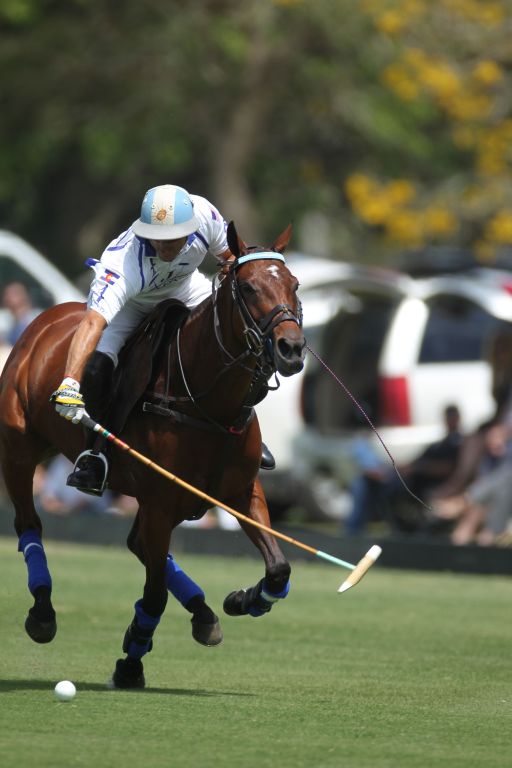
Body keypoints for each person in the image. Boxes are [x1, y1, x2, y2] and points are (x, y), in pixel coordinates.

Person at [51, 183, 275, 496]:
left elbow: (231, 260)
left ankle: (244, 431)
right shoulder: (122, 265)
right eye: (158, 237)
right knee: (98, 371)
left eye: (173, 238)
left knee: (230, 344)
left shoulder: (205, 216)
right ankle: (95, 455)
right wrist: (69, 383)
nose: (165, 245)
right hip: (132, 302)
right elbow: (91, 323)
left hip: (186, 287)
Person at [1, 281, 41, 345]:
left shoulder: (38, 317)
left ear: (25, 295)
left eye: (15, 293)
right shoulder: (3, 318)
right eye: (7, 293)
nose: (9, 296)